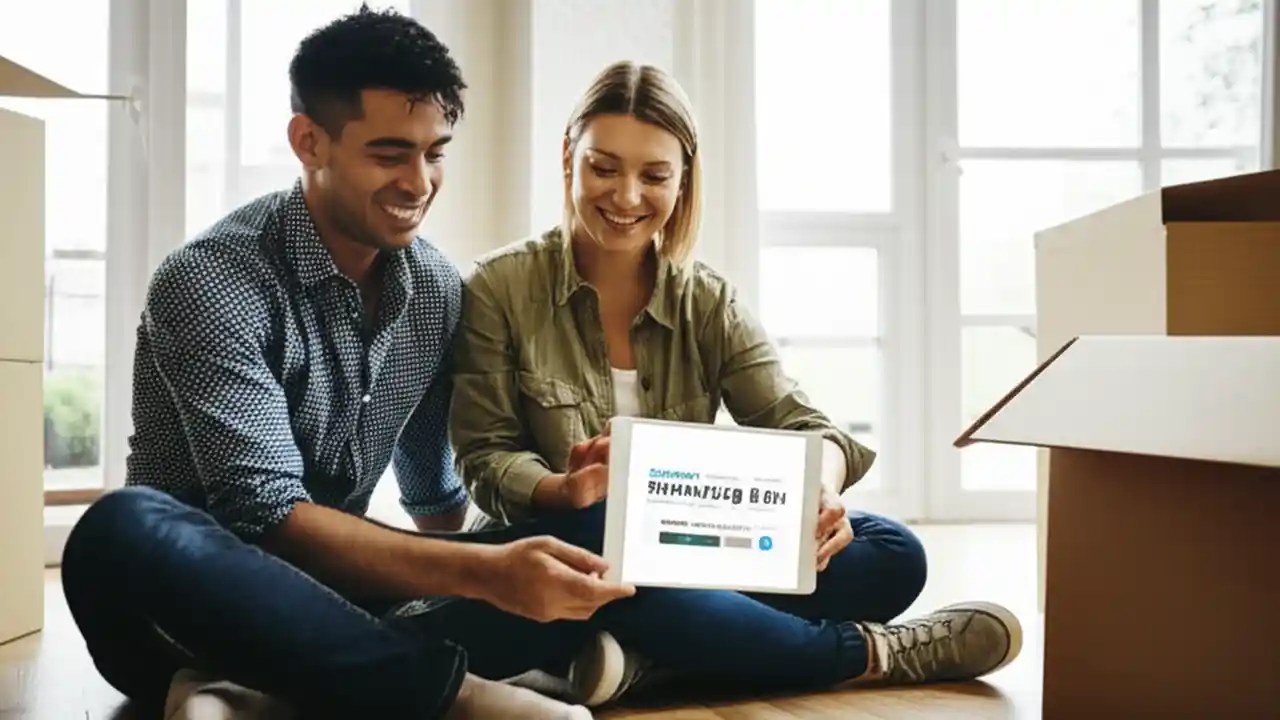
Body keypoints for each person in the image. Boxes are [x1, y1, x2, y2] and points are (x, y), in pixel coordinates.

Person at [60, 9, 637, 720]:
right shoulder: (209, 279)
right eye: (390, 154)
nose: (420, 182)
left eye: (436, 152)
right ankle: (453, 695)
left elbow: (435, 498)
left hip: (349, 611)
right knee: (118, 528)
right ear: (309, 142)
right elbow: (267, 518)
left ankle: (274, 698)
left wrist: (530, 536)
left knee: (586, 534)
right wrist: (486, 575)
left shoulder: (434, 292)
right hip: (188, 611)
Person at [448, 60, 1024, 707]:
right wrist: (563, 488)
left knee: (892, 550)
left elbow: (805, 425)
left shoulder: (706, 300)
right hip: (558, 553)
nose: (627, 196)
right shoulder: (498, 287)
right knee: (607, 538)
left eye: (655, 175)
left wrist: (822, 493)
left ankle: (645, 662)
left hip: (686, 550)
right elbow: (485, 458)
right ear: (568, 156)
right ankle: (867, 654)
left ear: (683, 179)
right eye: (603, 167)